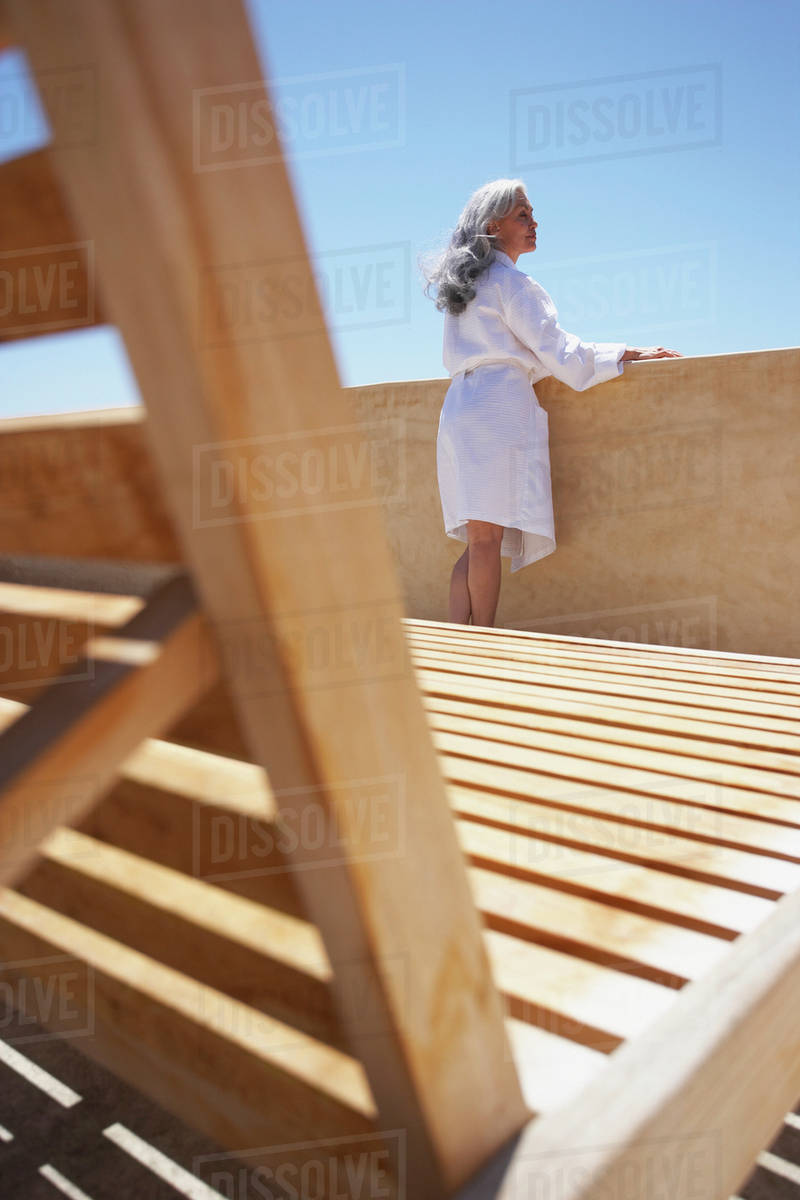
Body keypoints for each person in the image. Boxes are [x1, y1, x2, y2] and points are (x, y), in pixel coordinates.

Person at [421, 178, 682, 629]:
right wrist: (627, 352)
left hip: (460, 405)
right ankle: (481, 641)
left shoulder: (466, 288)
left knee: (476, 538)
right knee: (486, 539)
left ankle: (457, 640)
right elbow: (559, 350)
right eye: (523, 214)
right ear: (493, 225)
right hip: (498, 405)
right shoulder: (512, 283)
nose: (534, 222)